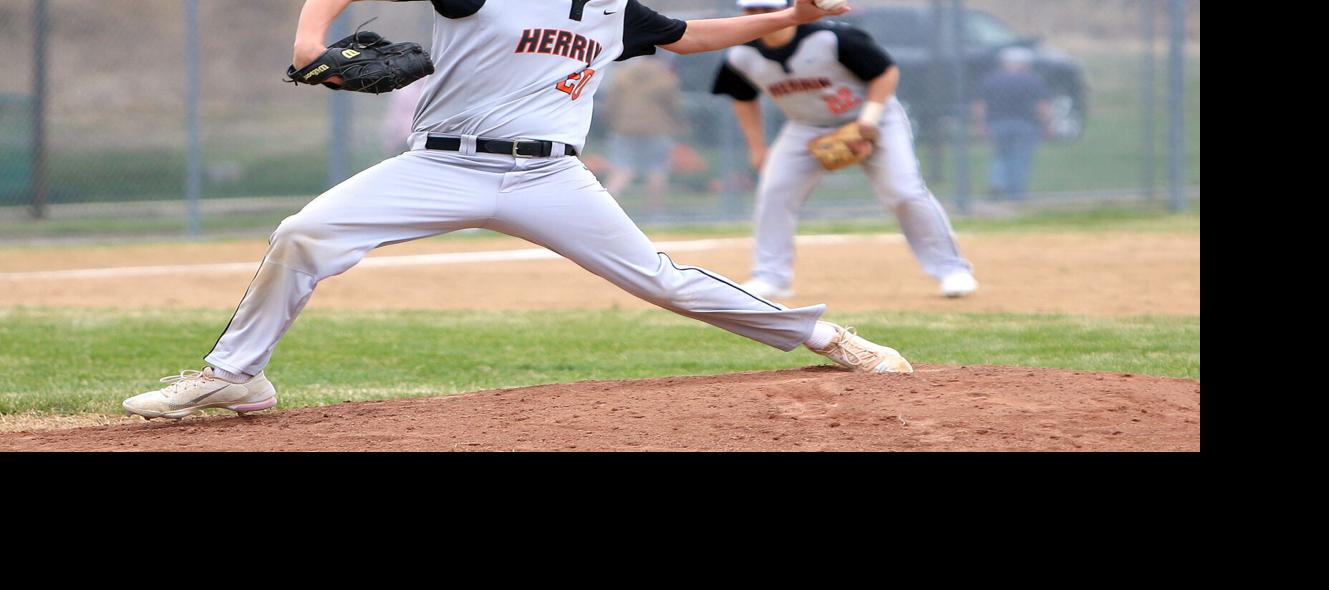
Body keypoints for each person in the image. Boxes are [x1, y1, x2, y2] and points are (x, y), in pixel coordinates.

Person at [122, 0, 911, 422]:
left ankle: (830, 337)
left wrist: (789, 18)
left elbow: (694, 35)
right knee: (302, 234)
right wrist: (306, 41)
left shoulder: (612, 9)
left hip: (551, 180)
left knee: (662, 281)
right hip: (438, 163)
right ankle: (236, 378)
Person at [711, 0, 977, 301]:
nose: (759, 16)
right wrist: (757, 147)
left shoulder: (831, 38)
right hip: (806, 126)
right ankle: (771, 277)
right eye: (751, 10)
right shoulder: (741, 54)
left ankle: (952, 270)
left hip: (873, 117)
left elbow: (885, 72)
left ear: (789, 8)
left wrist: (868, 121)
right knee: (776, 191)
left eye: (767, 9)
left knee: (903, 192)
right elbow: (742, 98)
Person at [601, 55, 684, 215]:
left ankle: (605, 210)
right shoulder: (664, 78)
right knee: (657, 170)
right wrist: (678, 125)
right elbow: (674, 106)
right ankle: (654, 213)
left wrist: (614, 123)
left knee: (622, 169)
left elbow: (611, 104)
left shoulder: (622, 76)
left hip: (624, 128)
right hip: (656, 129)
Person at [972, 46, 1052, 202]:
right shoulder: (1033, 80)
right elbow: (1042, 106)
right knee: (1020, 159)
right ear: (1024, 64)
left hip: (997, 124)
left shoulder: (991, 80)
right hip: (1025, 125)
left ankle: (997, 183)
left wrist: (980, 124)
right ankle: (1016, 193)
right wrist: (1048, 125)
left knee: (1000, 157)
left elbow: (979, 106)